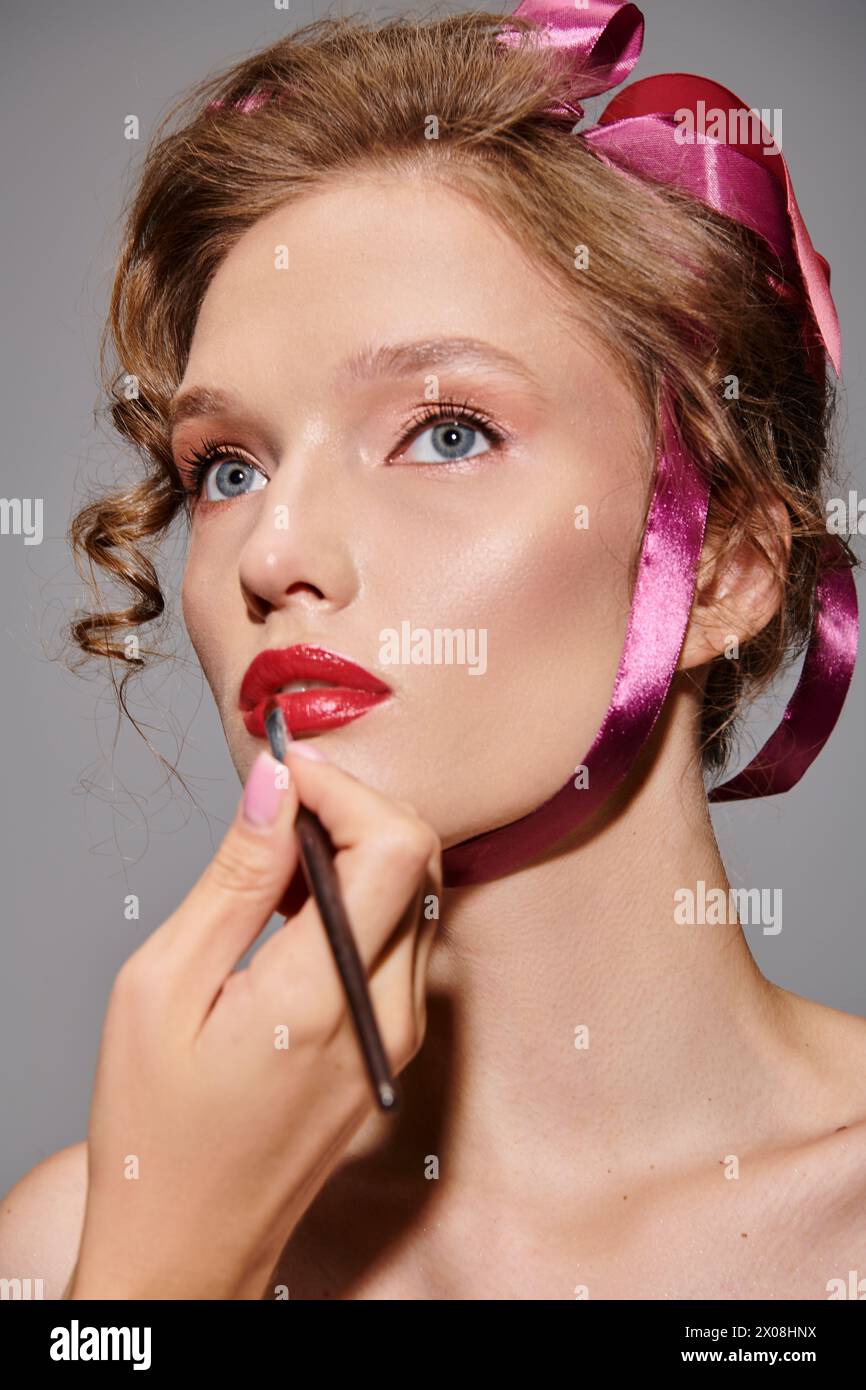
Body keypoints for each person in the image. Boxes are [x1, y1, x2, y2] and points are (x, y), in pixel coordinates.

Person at [2, 4, 864, 1300]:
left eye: (446, 430)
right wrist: (163, 1271)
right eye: (227, 465)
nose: (271, 549)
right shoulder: (72, 1244)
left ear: (727, 566)